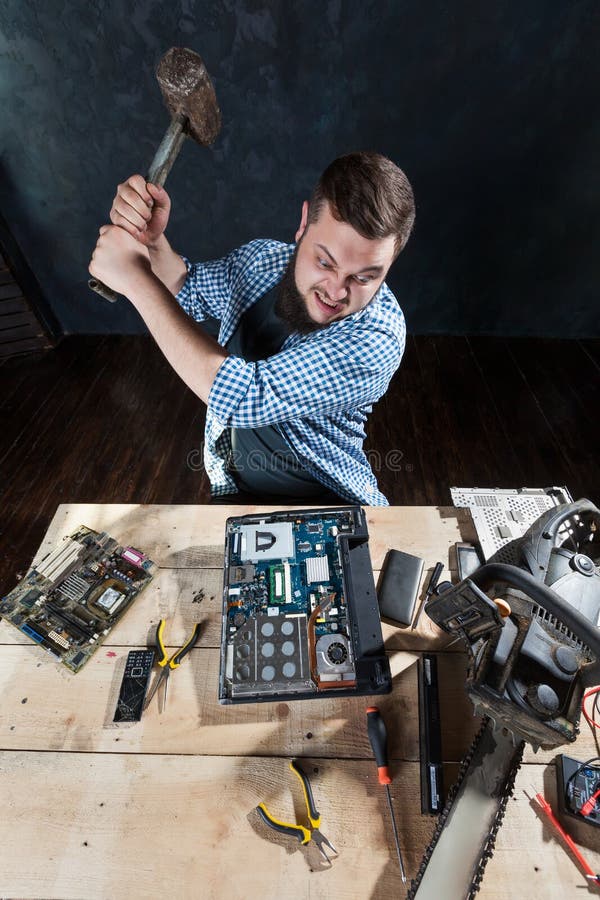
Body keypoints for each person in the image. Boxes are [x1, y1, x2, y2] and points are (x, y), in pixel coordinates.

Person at [89, 151, 415, 505]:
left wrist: (136, 279)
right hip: (237, 491)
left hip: (329, 501)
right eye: (324, 262)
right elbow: (189, 288)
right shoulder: (260, 261)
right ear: (304, 223)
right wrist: (152, 243)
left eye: (364, 277)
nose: (336, 292)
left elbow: (243, 397)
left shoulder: (377, 338)